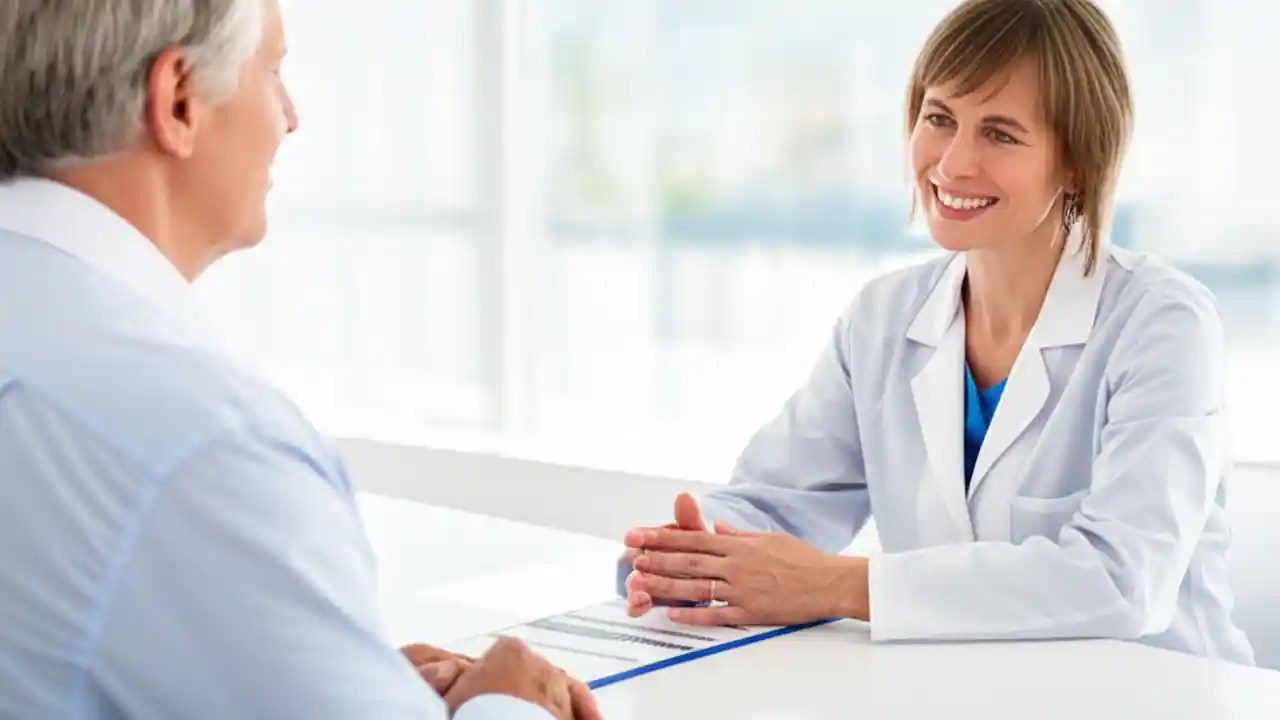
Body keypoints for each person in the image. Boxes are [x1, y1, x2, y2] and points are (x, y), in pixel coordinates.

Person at [0, 1, 600, 717]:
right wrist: (512, 704)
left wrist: (349, 681)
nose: (290, 117)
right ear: (179, 100)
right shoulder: (203, 442)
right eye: (273, 71)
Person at [619, 0, 1255, 666]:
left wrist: (836, 586)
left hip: (1161, 696)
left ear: (1078, 163)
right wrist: (684, 561)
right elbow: (777, 502)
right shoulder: (883, 319)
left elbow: (1123, 581)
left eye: (1000, 134)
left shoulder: (1163, 324)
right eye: (940, 118)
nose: (952, 163)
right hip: (965, 691)